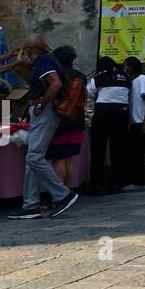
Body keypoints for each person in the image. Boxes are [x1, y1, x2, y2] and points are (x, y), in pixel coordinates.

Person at [7, 35, 78, 220]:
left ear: (30, 49)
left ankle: (63, 195)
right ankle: (30, 205)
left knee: (34, 156)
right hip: (45, 111)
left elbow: (55, 83)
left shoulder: (43, 61)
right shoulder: (47, 59)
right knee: (33, 157)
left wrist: (40, 105)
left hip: (45, 112)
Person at [86, 55, 132, 194]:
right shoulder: (126, 77)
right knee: (118, 149)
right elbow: (128, 92)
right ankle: (116, 183)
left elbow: (87, 92)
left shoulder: (99, 77)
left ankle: (96, 184)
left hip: (103, 113)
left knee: (98, 148)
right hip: (121, 113)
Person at [48, 46, 87, 188]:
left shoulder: (54, 75)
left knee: (58, 159)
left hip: (59, 120)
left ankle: (59, 197)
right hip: (76, 120)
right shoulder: (81, 76)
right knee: (69, 159)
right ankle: (67, 192)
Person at [125, 56, 145, 190]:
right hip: (134, 122)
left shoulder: (142, 79)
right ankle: (134, 179)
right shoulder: (131, 81)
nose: (125, 69)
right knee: (133, 152)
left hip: (141, 122)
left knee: (138, 152)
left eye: (127, 66)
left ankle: (138, 181)